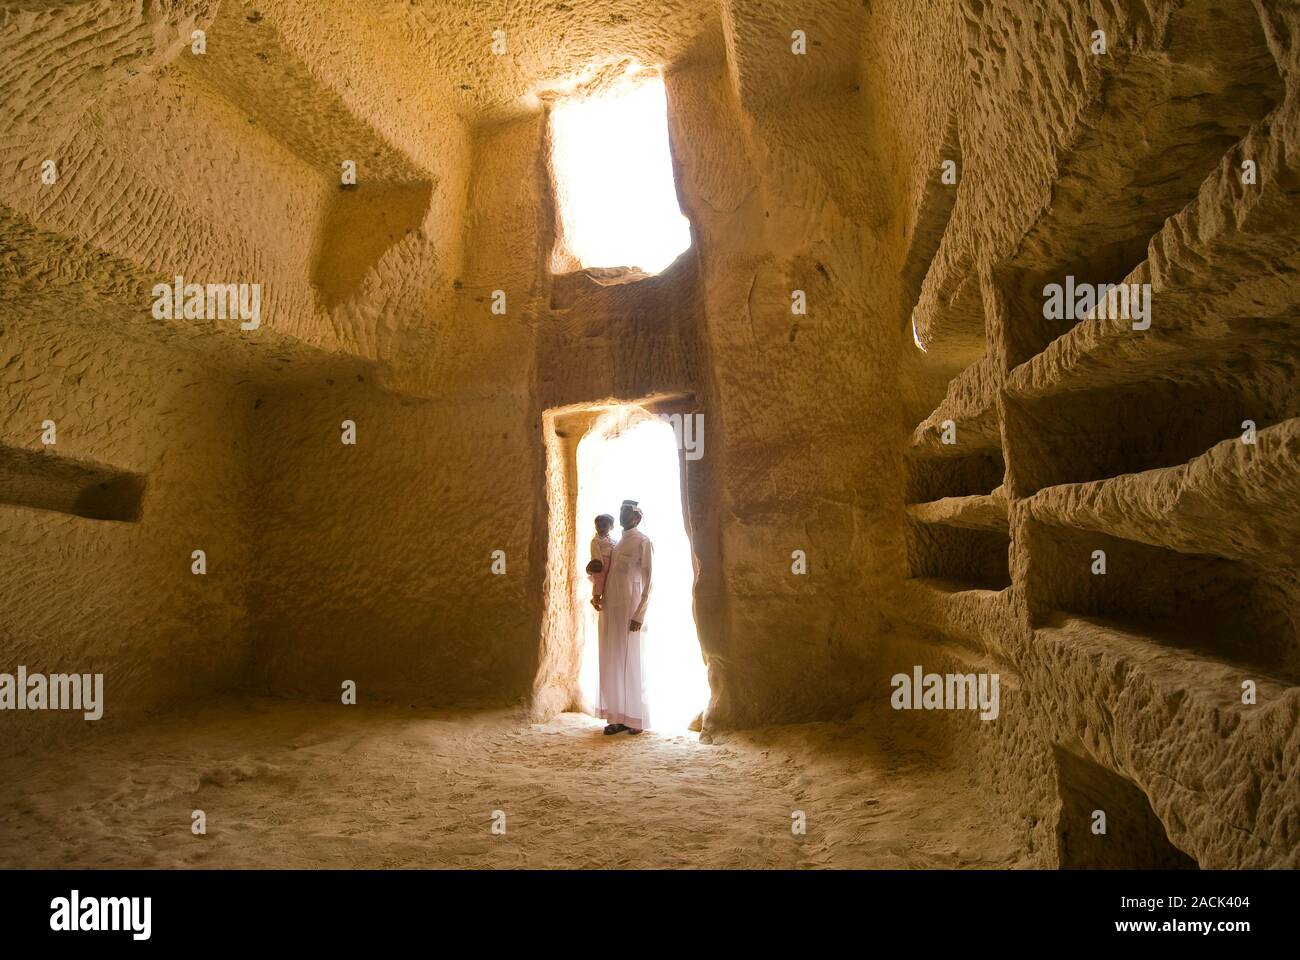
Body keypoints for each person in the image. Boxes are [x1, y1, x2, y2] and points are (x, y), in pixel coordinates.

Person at [596, 499, 654, 736]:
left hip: (631, 609)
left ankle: (635, 719)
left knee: (632, 661)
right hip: (612, 608)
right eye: (620, 510)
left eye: (626, 512)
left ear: (637, 518)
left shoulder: (643, 541)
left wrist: (639, 613)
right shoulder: (616, 543)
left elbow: (649, 580)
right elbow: (608, 573)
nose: (621, 514)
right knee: (613, 660)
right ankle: (616, 717)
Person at [586, 514, 616, 609]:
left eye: (604, 526)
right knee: (599, 580)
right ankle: (596, 598)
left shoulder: (612, 540)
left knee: (606, 581)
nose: (601, 528)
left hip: (610, 563)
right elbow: (595, 552)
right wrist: (600, 564)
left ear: (611, 527)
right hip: (600, 563)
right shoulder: (596, 540)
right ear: (595, 527)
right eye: (598, 526)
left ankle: (595, 598)